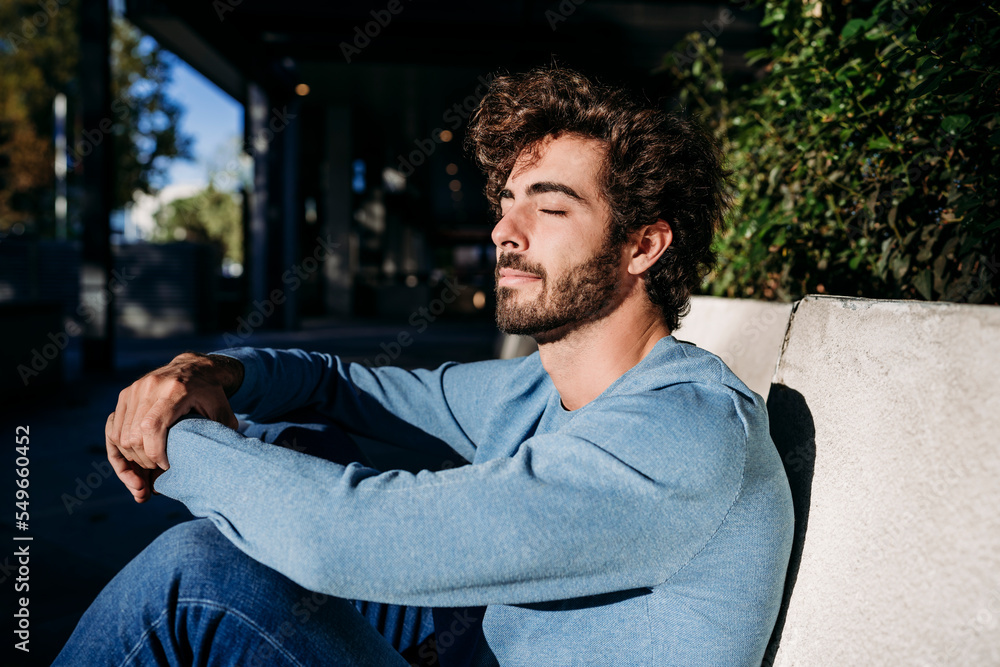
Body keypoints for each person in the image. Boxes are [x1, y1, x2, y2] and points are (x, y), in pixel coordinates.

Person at [55, 67, 793, 666]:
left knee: (199, 576)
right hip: (471, 647)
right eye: (507, 201)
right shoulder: (539, 386)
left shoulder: (684, 432)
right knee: (294, 446)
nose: (504, 230)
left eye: (550, 207)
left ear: (642, 246)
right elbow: (338, 386)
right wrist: (209, 372)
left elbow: (343, 537)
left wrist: (172, 439)